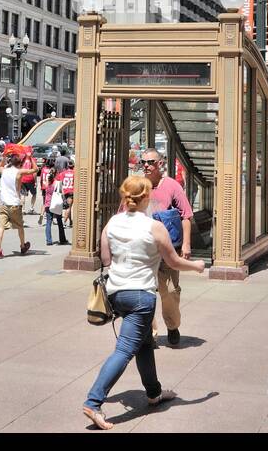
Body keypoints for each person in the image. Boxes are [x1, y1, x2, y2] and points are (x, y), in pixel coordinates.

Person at [82, 174, 206, 429]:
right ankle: (93, 402)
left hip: (116, 293)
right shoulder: (154, 227)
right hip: (141, 295)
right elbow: (172, 261)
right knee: (125, 350)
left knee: (145, 344)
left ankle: (153, 393)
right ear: (146, 197)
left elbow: (105, 258)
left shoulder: (112, 223)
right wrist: (196, 266)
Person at [136, 148, 193, 346]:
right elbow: (123, 214)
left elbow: (186, 215)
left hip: (168, 250)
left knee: (169, 291)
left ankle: (172, 325)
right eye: (143, 162)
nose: (146, 165)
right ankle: (150, 333)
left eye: (150, 162)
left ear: (160, 164)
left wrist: (186, 244)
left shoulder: (172, 185)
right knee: (146, 292)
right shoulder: (137, 186)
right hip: (143, 251)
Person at [0, 152, 36, 258]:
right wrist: (30, 158)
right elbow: (35, 170)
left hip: (3, 203)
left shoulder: (4, 171)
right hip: (14, 204)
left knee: (1, 227)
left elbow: (0, 166)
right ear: (20, 163)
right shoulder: (19, 172)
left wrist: (3, 157)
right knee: (20, 226)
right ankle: (22, 246)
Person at [19, 147, 38, 214]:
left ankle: (23, 210)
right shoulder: (33, 160)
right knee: (34, 194)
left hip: (23, 179)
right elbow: (35, 172)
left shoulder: (22, 160)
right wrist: (36, 181)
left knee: (23, 194)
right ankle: (31, 208)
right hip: (31, 179)